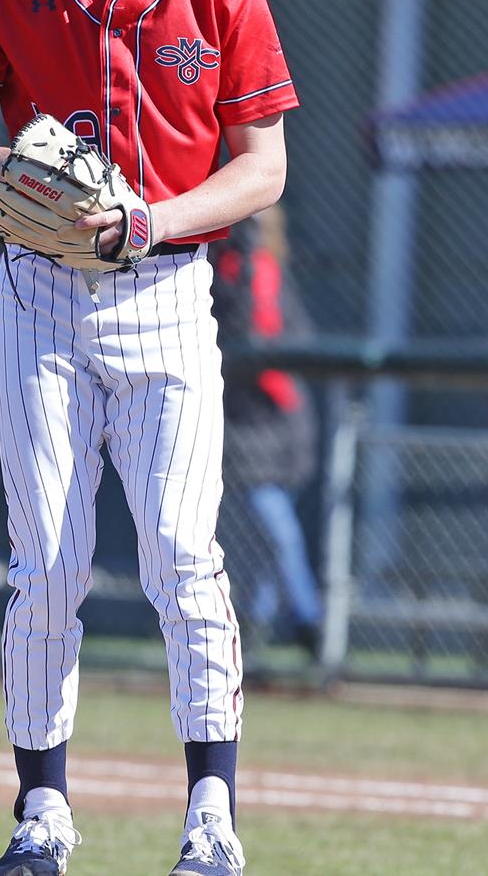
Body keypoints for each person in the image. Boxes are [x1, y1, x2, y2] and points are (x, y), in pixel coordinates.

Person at [0, 0, 297, 875]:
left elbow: (262, 168)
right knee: (46, 559)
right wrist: (32, 186)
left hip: (169, 292)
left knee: (183, 556)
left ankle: (212, 817)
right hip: (40, 290)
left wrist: (149, 216)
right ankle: (41, 813)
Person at [210, 205, 324, 658]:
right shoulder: (221, 273)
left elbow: (296, 338)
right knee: (276, 530)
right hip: (244, 422)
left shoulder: (276, 273)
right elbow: (236, 330)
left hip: (288, 423)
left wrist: (257, 259)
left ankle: (255, 628)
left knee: (269, 541)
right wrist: (239, 257)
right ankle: (308, 620)